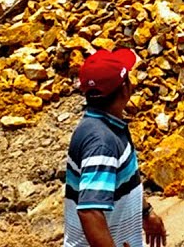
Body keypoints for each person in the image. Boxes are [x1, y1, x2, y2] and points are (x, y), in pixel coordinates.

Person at [65, 48, 168, 247]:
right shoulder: (102, 142)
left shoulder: (107, 126)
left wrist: (145, 212)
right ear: (124, 89)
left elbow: (123, 180)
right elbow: (89, 211)